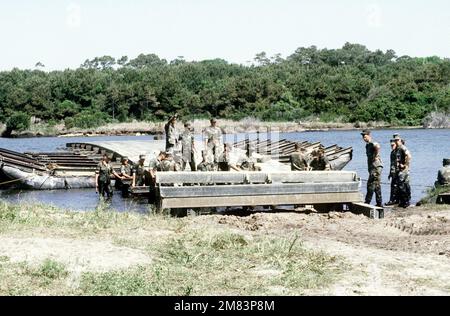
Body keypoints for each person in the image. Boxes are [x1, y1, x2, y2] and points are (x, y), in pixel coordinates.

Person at [361, 130, 383, 207]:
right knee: (376, 185)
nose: (364, 138)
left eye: (365, 136)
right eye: (363, 137)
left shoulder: (372, 143)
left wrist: (376, 156)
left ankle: (367, 202)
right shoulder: (367, 145)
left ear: (369, 136)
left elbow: (378, 146)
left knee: (370, 184)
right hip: (372, 167)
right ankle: (379, 203)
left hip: (376, 167)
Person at [394, 135, 412, 208]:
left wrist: (405, 165)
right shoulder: (398, 148)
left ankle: (406, 201)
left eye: (398, 140)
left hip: (403, 170)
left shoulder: (403, 147)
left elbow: (409, 156)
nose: (396, 141)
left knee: (402, 185)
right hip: (401, 169)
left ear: (400, 140)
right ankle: (404, 201)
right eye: (395, 140)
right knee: (403, 184)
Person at [385, 139, 399, 206]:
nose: (392, 146)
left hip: (397, 172)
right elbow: (391, 164)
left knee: (395, 186)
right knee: (393, 186)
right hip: (393, 172)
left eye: (393, 145)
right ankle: (394, 200)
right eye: (391, 145)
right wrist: (390, 173)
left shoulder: (398, 152)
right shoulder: (392, 152)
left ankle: (393, 200)